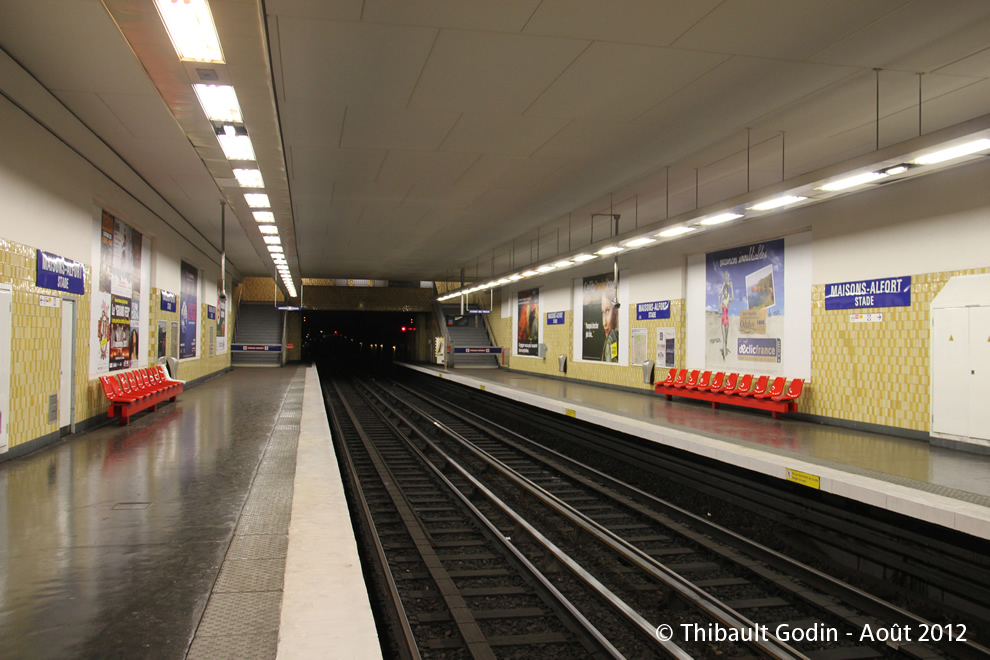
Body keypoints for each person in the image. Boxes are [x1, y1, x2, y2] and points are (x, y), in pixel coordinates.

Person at [601, 283, 620, 362]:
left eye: (608, 310)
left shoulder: (612, 336)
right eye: (603, 313)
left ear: (616, 312)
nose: (604, 323)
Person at [719, 270, 734, 359]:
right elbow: (721, 289)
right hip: (722, 320)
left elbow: (732, 298)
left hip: (727, 320)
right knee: (724, 337)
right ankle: (724, 355)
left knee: (726, 339)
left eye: (726, 276)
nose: (726, 277)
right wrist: (720, 295)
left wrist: (731, 288)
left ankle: (725, 352)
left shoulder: (728, 299)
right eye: (725, 276)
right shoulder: (722, 299)